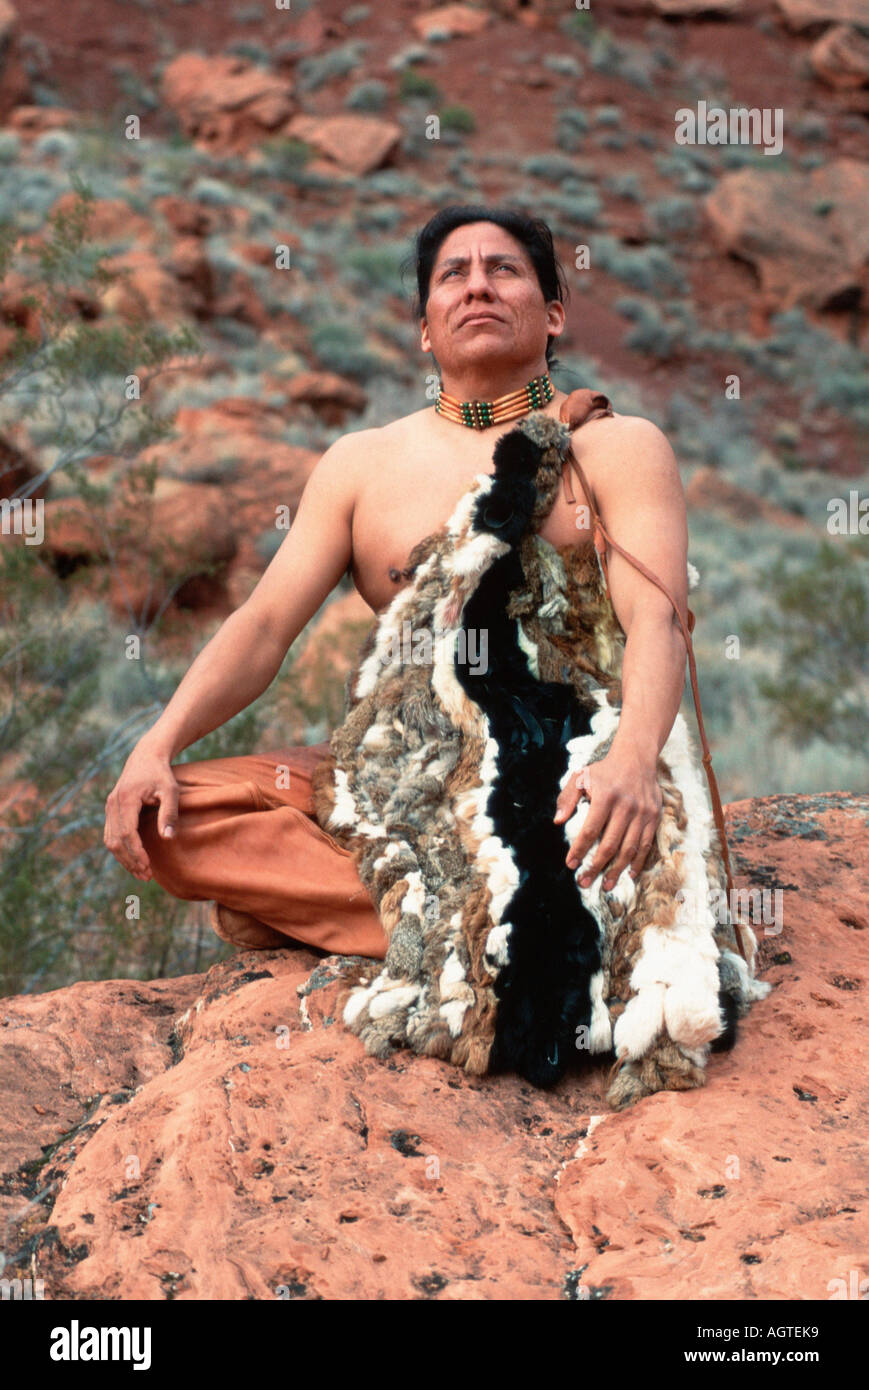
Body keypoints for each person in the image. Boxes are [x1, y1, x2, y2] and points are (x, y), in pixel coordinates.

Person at [103, 203, 691, 957]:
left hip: (569, 770)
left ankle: (377, 911)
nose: (476, 287)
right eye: (453, 275)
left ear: (552, 313)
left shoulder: (617, 448)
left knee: (601, 844)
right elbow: (263, 625)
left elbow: (657, 621)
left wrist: (634, 762)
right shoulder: (362, 463)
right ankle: (477, 920)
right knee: (169, 816)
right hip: (401, 776)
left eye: (502, 270)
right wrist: (156, 745)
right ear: (424, 328)